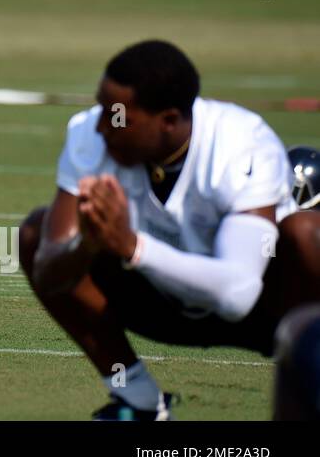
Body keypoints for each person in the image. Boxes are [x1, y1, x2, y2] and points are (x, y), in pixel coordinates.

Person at [19, 40, 320, 419]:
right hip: (156, 304)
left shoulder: (241, 143)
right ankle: (139, 403)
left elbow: (237, 295)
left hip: (262, 315)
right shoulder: (89, 136)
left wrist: (132, 246)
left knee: (309, 233)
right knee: (35, 232)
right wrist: (89, 244)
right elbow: (48, 271)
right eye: (99, 108)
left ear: (169, 120)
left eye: (116, 117)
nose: (99, 125)